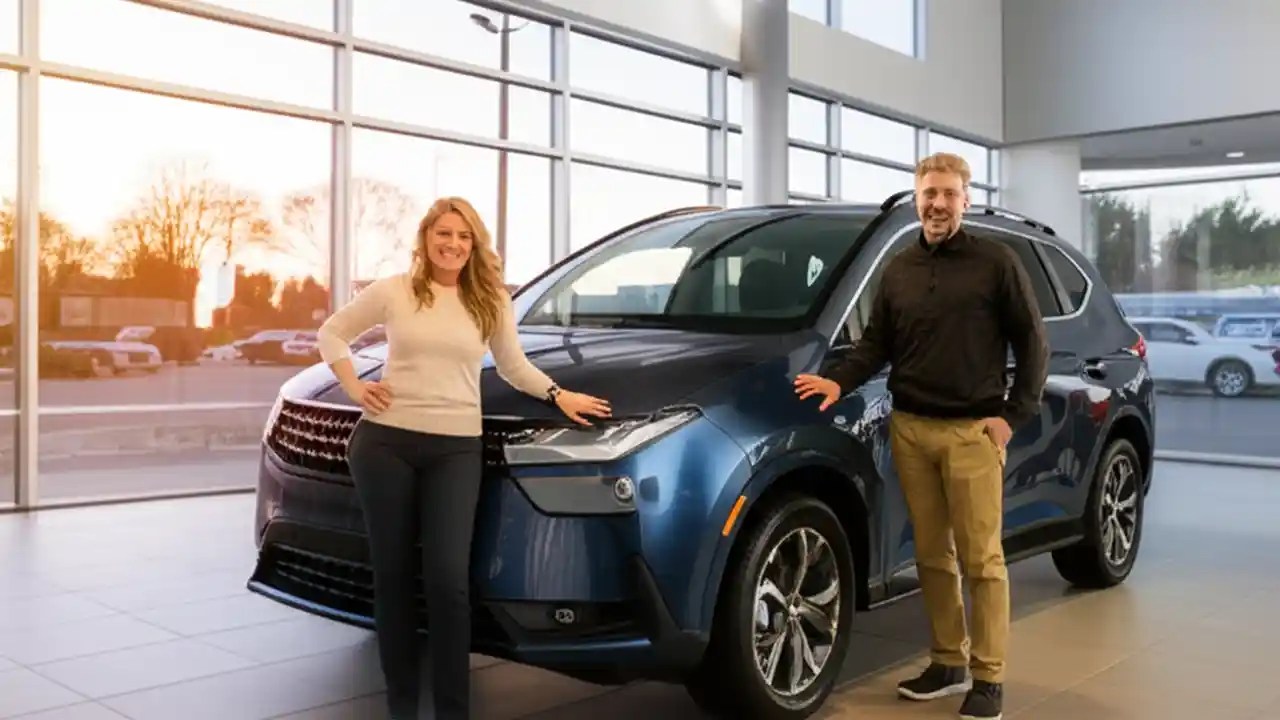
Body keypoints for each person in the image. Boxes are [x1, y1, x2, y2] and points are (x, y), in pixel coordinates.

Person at [316, 196, 612, 720]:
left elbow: (514, 367)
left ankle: (454, 712)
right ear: (427, 238)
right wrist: (355, 388)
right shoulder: (395, 291)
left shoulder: (490, 300)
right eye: (444, 234)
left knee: (449, 582)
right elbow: (331, 332)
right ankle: (402, 707)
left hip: (455, 447)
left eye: (464, 236)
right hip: (385, 445)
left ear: (475, 244)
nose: (452, 244)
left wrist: (557, 395)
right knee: (394, 577)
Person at [792, 153, 1048, 720]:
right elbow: (875, 343)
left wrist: (1012, 416)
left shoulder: (996, 263)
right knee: (933, 556)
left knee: (982, 561)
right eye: (928, 193)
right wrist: (837, 382)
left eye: (947, 194)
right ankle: (947, 662)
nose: (936, 204)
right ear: (917, 197)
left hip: (971, 434)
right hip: (910, 430)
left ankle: (988, 678)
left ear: (966, 199)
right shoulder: (900, 269)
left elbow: (1033, 344)